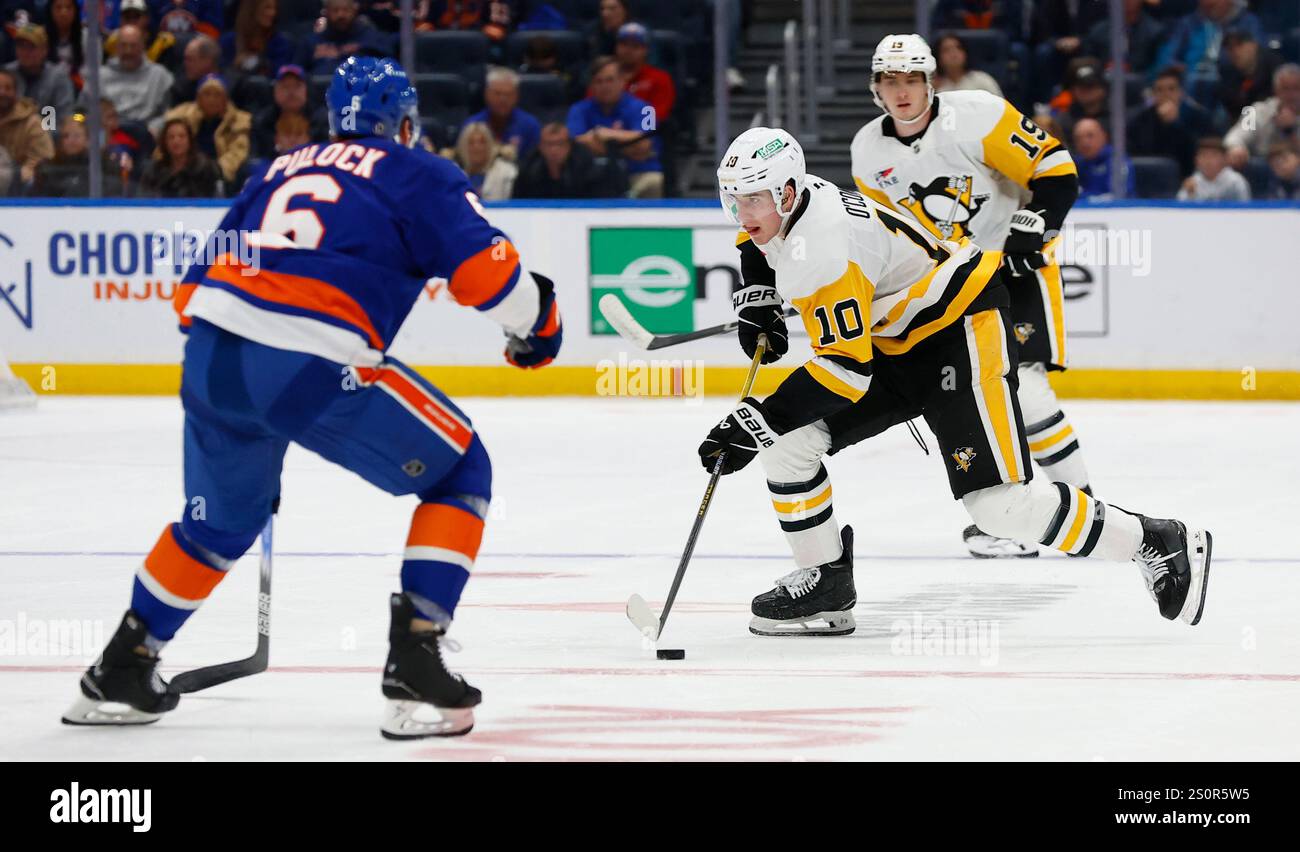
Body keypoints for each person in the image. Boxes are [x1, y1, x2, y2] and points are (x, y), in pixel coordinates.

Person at [64, 56, 563, 738]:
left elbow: (189, 293)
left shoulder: (277, 169)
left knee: (216, 526)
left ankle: (122, 667)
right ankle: (416, 661)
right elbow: (489, 279)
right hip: (308, 359)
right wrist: (541, 324)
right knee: (460, 473)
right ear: (405, 124)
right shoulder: (417, 171)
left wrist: (257, 390)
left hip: (210, 358)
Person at [705, 126, 1212, 636]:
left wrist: (757, 421)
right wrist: (758, 297)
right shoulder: (793, 203)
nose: (744, 214)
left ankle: (1154, 539)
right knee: (788, 443)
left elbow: (845, 372)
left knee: (999, 507)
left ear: (787, 192)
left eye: (754, 200)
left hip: (960, 331)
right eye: (735, 200)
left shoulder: (824, 248)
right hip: (898, 339)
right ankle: (826, 584)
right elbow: (755, 243)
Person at [851, 34, 1095, 559]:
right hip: (951, 289)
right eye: (891, 81)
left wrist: (1037, 225)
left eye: (912, 79)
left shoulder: (979, 115)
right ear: (876, 87)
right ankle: (1025, 514)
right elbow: (884, 236)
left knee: (1026, 391)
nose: (902, 91)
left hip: (1012, 269)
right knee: (979, 399)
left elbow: (1056, 169)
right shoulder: (866, 150)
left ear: (930, 82)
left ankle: (1083, 508)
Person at [567, 55, 661, 198]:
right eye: (599, 81)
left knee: (655, 182)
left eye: (610, 80)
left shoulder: (646, 109)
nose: (605, 86)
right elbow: (575, 145)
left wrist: (604, 134)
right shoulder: (578, 109)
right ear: (591, 85)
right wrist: (627, 145)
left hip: (637, 174)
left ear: (622, 81)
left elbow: (644, 144)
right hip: (595, 175)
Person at [161, 73, 251, 183]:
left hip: (218, 176)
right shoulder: (182, 115)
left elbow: (238, 153)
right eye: (207, 94)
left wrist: (214, 170)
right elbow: (164, 147)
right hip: (181, 172)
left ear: (226, 99)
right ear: (198, 98)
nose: (212, 100)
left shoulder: (239, 121)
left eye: (217, 95)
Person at [1129, 66, 1214, 177]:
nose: (1166, 94)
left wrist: (1176, 124)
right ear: (1153, 94)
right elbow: (1139, 153)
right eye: (1159, 90)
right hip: (1149, 177)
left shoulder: (1199, 117)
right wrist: (1163, 125)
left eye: (1171, 89)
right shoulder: (1140, 120)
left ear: (1181, 92)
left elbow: (1200, 152)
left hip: (1189, 177)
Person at [1224, 63, 1300, 170]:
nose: (1291, 95)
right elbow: (1234, 136)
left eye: (1296, 89)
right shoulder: (1256, 110)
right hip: (1261, 169)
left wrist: (1291, 131)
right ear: (1276, 91)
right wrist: (1237, 148)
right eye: (1285, 89)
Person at [513, 121, 616, 198]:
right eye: (549, 144)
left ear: (569, 146)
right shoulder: (528, 169)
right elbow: (517, 205)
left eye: (560, 144)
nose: (554, 150)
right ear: (540, 146)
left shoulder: (587, 168)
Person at [98, 23, 175, 123]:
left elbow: (169, 113)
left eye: (133, 46)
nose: (128, 51)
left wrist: (156, 127)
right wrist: (80, 123)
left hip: (145, 129)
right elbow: (80, 112)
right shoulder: (99, 76)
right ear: (116, 47)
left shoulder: (159, 75)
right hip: (108, 129)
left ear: (143, 47)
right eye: (123, 45)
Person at [250, 64, 327, 160]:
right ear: (275, 91)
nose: (291, 92)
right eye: (285, 86)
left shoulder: (323, 120)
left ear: (306, 90)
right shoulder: (261, 122)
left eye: (297, 86)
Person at [4, 23, 75, 124]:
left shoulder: (58, 78)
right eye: (21, 46)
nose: (25, 52)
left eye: (31, 47)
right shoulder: (6, 74)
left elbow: (64, 120)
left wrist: (37, 132)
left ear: (44, 50)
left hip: (47, 132)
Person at [299, 0, 392, 76]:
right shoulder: (310, 43)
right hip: (321, 91)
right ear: (326, 12)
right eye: (335, 10)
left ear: (355, 11)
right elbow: (297, 74)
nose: (341, 15)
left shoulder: (372, 39)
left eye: (346, 10)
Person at [464, 67, 540, 160]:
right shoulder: (471, 125)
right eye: (497, 93)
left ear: (516, 96)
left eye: (508, 94)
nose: (503, 99)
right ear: (486, 94)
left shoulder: (530, 125)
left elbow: (534, 162)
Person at [138, 115, 222, 196]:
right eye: (171, 137)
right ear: (164, 142)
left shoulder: (205, 168)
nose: (176, 141)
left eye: (182, 136)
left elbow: (215, 198)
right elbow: (144, 200)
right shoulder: (154, 171)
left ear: (190, 140)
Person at [0, 66, 53, 188]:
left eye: (7, 88)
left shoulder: (32, 122)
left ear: (16, 93)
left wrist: (17, 177)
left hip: (22, 190)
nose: (2, 92)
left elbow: (44, 157)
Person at [613, 22, 676, 126]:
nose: (628, 50)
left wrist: (626, 126)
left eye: (635, 46)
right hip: (603, 131)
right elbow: (591, 108)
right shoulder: (604, 76)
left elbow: (656, 116)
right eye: (624, 45)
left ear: (646, 50)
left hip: (644, 132)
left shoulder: (660, 78)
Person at [222, 0, 297, 79]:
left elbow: (280, 75)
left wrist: (260, 63)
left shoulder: (280, 43)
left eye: (275, 8)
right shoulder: (229, 41)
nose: (273, 13)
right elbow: (220, 73)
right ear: (252, 9)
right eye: (267, 8)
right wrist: (235, 65)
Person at [1216, 30, 1280, 122]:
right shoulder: (1227, 75)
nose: (1234, 51)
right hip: (1244, 123)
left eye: (1239, 45)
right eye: (1230, 48)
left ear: (1254, 46)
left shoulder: (1274, 68)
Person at [449, 120, 516, 200]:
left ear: (490, 145)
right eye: (471, 142)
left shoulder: (506, 171)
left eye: (482, 142)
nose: (476, 147)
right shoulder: (453, 173)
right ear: (463, 146)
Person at [1072, 117, 1134, 199]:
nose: (1084, 142)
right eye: (1078, 138)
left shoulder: (1118, 161)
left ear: (1104, 136)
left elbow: (1120, 195)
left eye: (1090, 136)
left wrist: (1085, 197)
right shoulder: (1074, 164)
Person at [1177, 136, 1250, 200]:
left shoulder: (1235, 182)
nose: (1208, 161)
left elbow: (1245, 207)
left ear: (1225, 159)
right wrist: (1190, 194)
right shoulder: (1192, 182)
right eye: (1203, 156)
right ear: (1196, 160)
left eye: (1213, 156)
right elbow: (1179, 207)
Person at [931, 32, 1001, 97]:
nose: (953, 53)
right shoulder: (933, 87)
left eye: (958, 48)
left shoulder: (982, 80)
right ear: (938, 57)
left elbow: (1001, 104)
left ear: (965, 53)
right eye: (946, 50)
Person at [168, 33, 220, 107]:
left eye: (190, 59)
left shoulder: (231, 88)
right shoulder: (180, 89)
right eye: (185, 59)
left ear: (207, 61)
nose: (185, 64)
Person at [43, 0, 86, 90]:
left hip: (80, 87)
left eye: (68, 7)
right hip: (48, 87)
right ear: (50, 11)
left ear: (75, 11)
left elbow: (92, 72)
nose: (63, 12)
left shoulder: (87, 37)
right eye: (58, 7)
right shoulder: (41, 36)